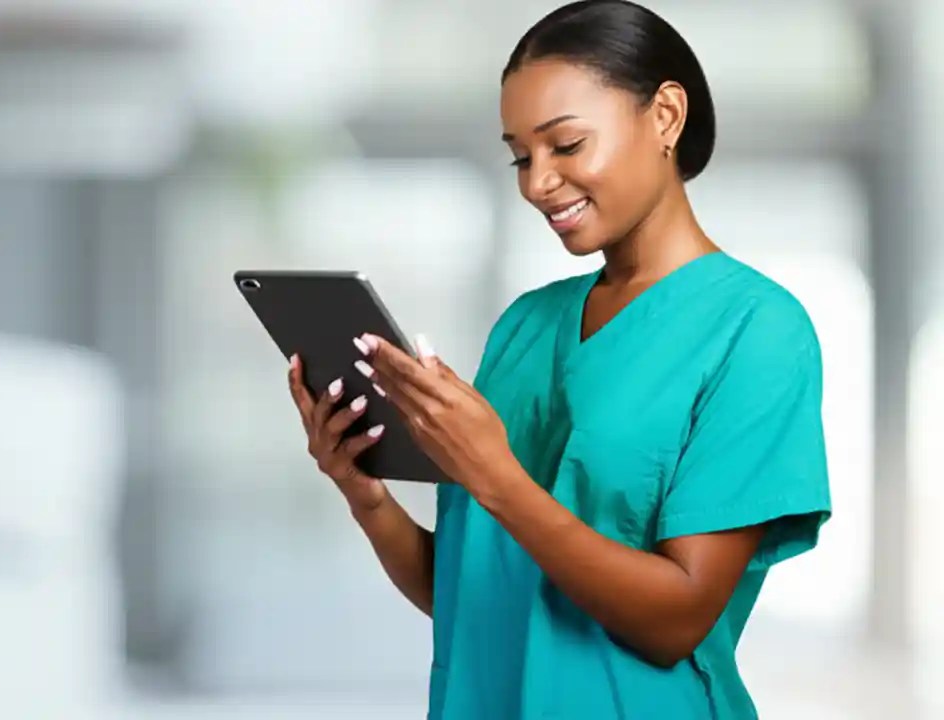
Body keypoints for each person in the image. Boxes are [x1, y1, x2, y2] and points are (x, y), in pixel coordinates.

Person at [284, 1, 832, 718]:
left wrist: (497, 477)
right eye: (520, 156)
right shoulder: (525, 326)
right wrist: (367, 497)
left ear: (666, 117)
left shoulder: (757, 330)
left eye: (566, 145)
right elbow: (474, 596)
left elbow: (677, 620)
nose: (536, 182)